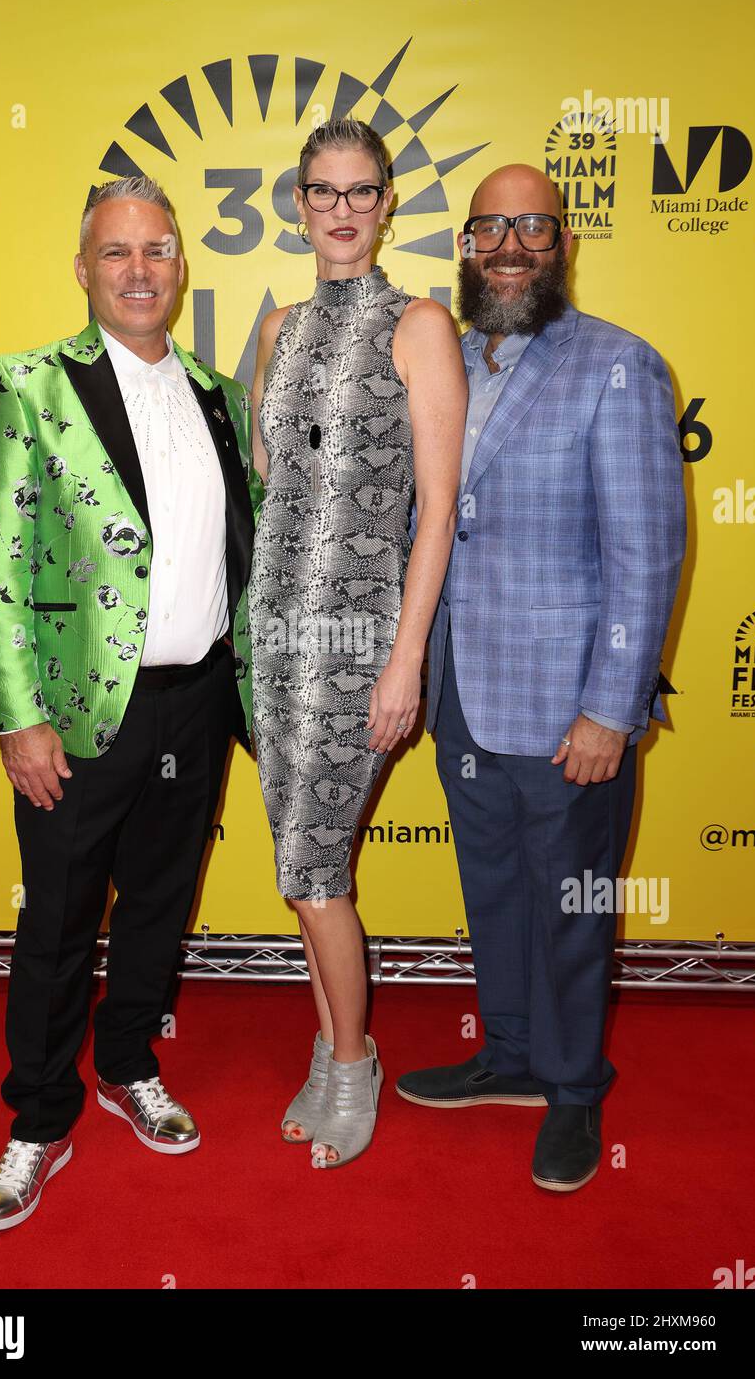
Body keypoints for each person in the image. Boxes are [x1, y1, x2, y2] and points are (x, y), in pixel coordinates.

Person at [0, 175, 263, 1229]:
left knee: (160, 902)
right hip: (79, 713)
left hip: (198, 700)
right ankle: (37, 1120)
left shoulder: (222, 394)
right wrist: (16, 715)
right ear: (83, 268)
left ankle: (129, 1061)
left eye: (158, 249)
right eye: (117, 252)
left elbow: (243, 554)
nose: (140, 269)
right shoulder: (24, 385)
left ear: (180, 267)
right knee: (55, 919)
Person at [396, 164, 686, 1192]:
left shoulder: (619, 365)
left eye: (530, 227)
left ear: (563, 241)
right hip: (463, 689)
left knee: (570, 900)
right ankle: (510, 1051)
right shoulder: (443, 362)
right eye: (488, 228)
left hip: (568, 704)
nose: (508, 245)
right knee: (496, 888)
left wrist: (609, 709)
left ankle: (571, 1088)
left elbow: (644, 553)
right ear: (464, 245)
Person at [248, 118, 467, 1169]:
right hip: (274, 636)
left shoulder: (417, 323)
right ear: (297, 205)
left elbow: (436, 510)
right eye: (320, 191)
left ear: (385, 206)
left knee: (315, 866)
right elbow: (271, 479)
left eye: (360, 190)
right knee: (298, 868)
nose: (340, 208)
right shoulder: (276, 329)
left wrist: (402, 657)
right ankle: (334, 1043)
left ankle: (350, 1062)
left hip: (357, 640)